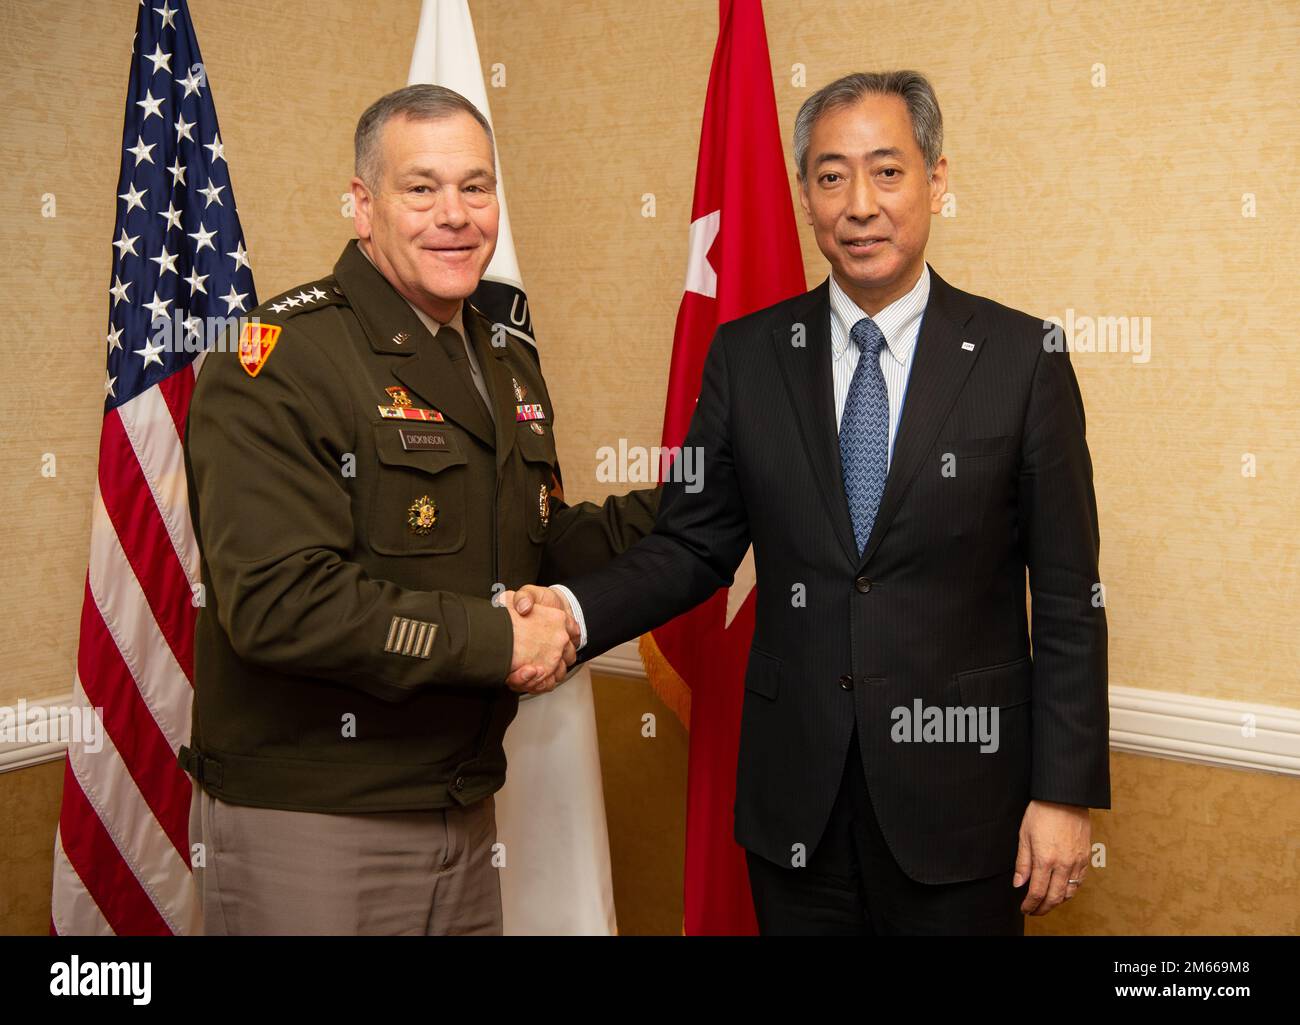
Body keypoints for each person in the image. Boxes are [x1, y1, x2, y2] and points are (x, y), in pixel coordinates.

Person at [507, 70, 1110, 935]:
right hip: (798, 811)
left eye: (888, 171)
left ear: (937, 179)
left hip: (965, 808)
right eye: (832, 176)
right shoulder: (749, 357)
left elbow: (1066, 599)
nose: (860, 203)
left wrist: (1063, 790)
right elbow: (690, 545)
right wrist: (569, 612)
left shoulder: (1023, 359)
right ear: (805, 196)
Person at [179, 84, 658, 935]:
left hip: (462, 810)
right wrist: (500, 638)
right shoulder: (280, 358)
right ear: (363, 206)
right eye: (421, 188)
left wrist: (721, 489)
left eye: (475, 187)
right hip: (318, 823)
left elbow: (542, 541)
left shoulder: (500, 356)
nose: (456, 215)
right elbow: (281, 603)